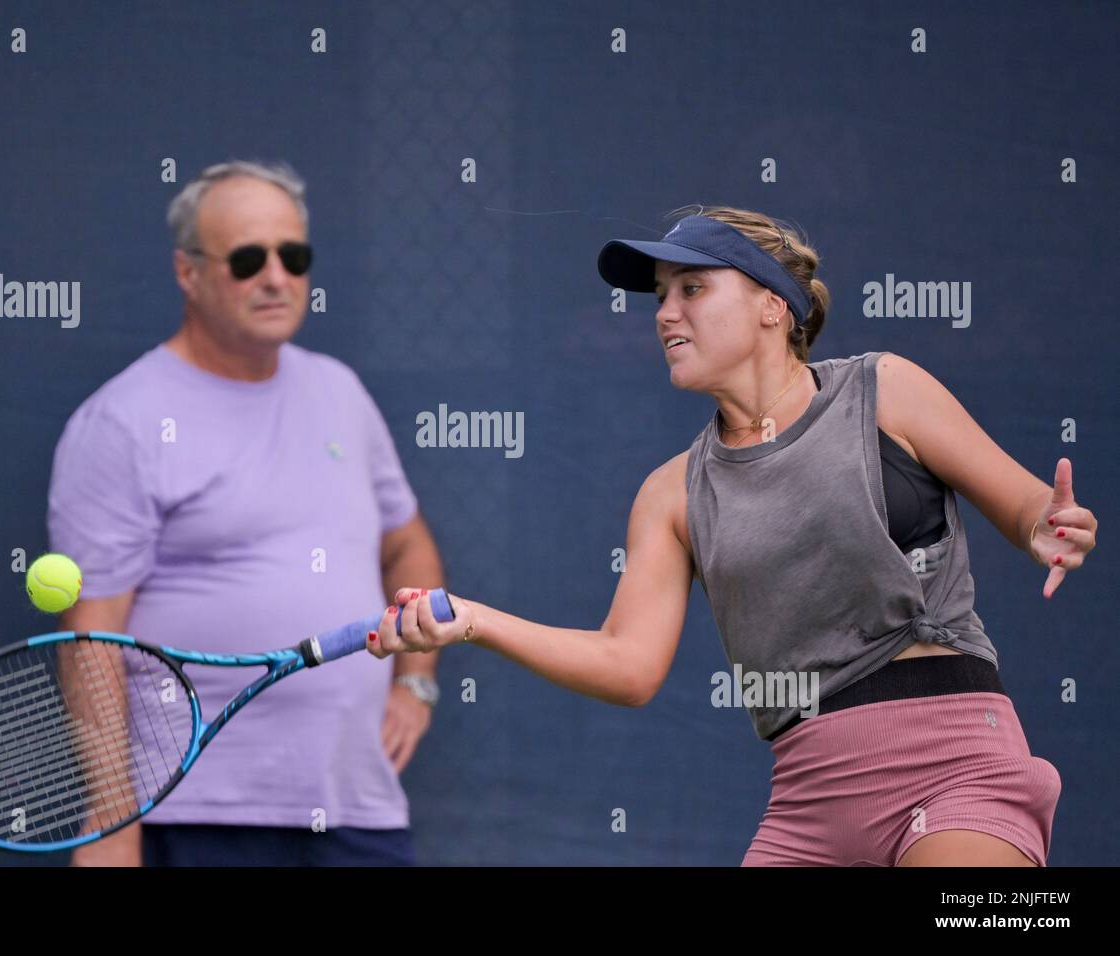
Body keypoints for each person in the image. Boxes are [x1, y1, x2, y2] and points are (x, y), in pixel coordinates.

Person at [372, 205, 1097, 866]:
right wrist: (472, 621)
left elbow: (1027, 504)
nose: (664, 313)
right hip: (807, 801)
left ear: (771, 307)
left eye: (692, 289)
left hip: (956, 759)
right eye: (660, 296)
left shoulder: (886, 390)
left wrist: (1048, 524)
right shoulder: (670, 494)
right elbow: (628, 664)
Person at [47, 160, 445, 866]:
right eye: (247, 258)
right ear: (188, 272)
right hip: (199, 812)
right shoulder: (121, 421)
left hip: (358, 807)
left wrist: (416, 684)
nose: (275, 277)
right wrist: (112, 817)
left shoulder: (341, 393)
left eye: (293, 257)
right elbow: (93, 634)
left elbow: (407, 546)